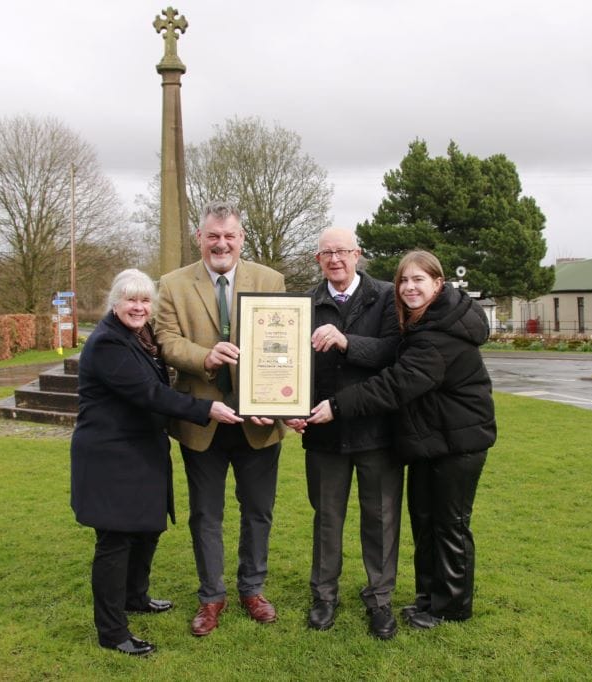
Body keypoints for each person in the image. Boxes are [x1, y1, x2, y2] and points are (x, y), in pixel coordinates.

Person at [308, 250, 496, 628]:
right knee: (427, 521)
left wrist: (337, 406)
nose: (410, 287)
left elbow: (395, 384)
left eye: (419, 280)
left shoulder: (437, 334)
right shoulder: (422, 320)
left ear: (438, 284)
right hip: (433, 439)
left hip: (459, 441)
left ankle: (452, 607)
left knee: (450, 525)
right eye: (404, 281)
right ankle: (429, 601)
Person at [70, 268, 243, 655]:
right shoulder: (108, 344)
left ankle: (136, 596)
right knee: (115, 540)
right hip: (111, 457)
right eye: (130, 299)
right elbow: (150, 394)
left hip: (141, 452)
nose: (138, 307)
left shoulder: (138, 337)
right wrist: (207, 408)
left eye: (145, 300)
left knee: (147, 530)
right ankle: (113, 632)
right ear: (115, 303)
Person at [154, 201, 287, 637]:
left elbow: (280, 344)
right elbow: (167, 341)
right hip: (202, 420)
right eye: (213, 235)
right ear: (200, 238)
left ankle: (252, 588)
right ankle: (212, 597)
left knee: (258, 512)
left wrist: (279, 399)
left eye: (230, 236)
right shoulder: (172, 285)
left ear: (242, 238)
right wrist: (205, 356)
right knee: (205, 516)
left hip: (260, 421)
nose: (221, 243)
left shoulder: (271, 280)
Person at [285, 227, 403, 639]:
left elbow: (393, 352)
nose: (335, 259)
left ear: (358, 254)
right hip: (322, 433)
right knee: (327, 518)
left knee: (381, 518)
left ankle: (380, 599)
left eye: (342, 251)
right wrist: (289, 410)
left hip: (378, 431)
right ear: (317, 260)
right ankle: (324, 596)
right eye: (326, 253)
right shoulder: (304, 305)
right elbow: (289, 363)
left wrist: (346, 341)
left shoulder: (387, 296)